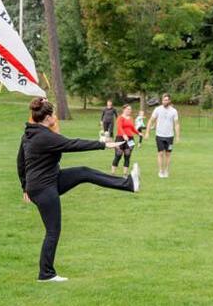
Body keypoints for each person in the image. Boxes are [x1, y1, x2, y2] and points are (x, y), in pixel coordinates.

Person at [17, 97, 139, 282]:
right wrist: (104, 144)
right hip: (43, 188)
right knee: (52, 231)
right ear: (48, 117)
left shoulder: (30, 133)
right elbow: (73, 144)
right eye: (54, 115)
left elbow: (20, 162)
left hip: (49, 181)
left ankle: (128, 184)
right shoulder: (44, 137)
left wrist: (25, 186)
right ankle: (46, 274)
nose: (56, 117)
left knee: (84, 172)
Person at [149, 93, 180, 178]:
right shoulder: (157, 109)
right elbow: (151, 120)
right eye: (163, 100)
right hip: (159, 135)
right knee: (160, 153)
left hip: (170, 136)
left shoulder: (174, 111)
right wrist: (148, 131)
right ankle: (160, 171)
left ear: (169, 101)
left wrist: (177, 136)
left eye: (166, 100)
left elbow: (176, 124)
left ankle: (166, 170)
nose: (164, 101)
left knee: (168, 154)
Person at [111, 104, 141, 176]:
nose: (129, 111)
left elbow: (132, 128)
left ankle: (125, 173)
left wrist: (138, 133)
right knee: (118, 155)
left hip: (130, 139)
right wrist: (124, 135)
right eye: (128, 109)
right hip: (120, 138)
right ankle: (113, 173)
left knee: (127, 155)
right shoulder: (120, 118)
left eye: (130, 109)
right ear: (123, 109)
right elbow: (119, 127)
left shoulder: (131, 118)